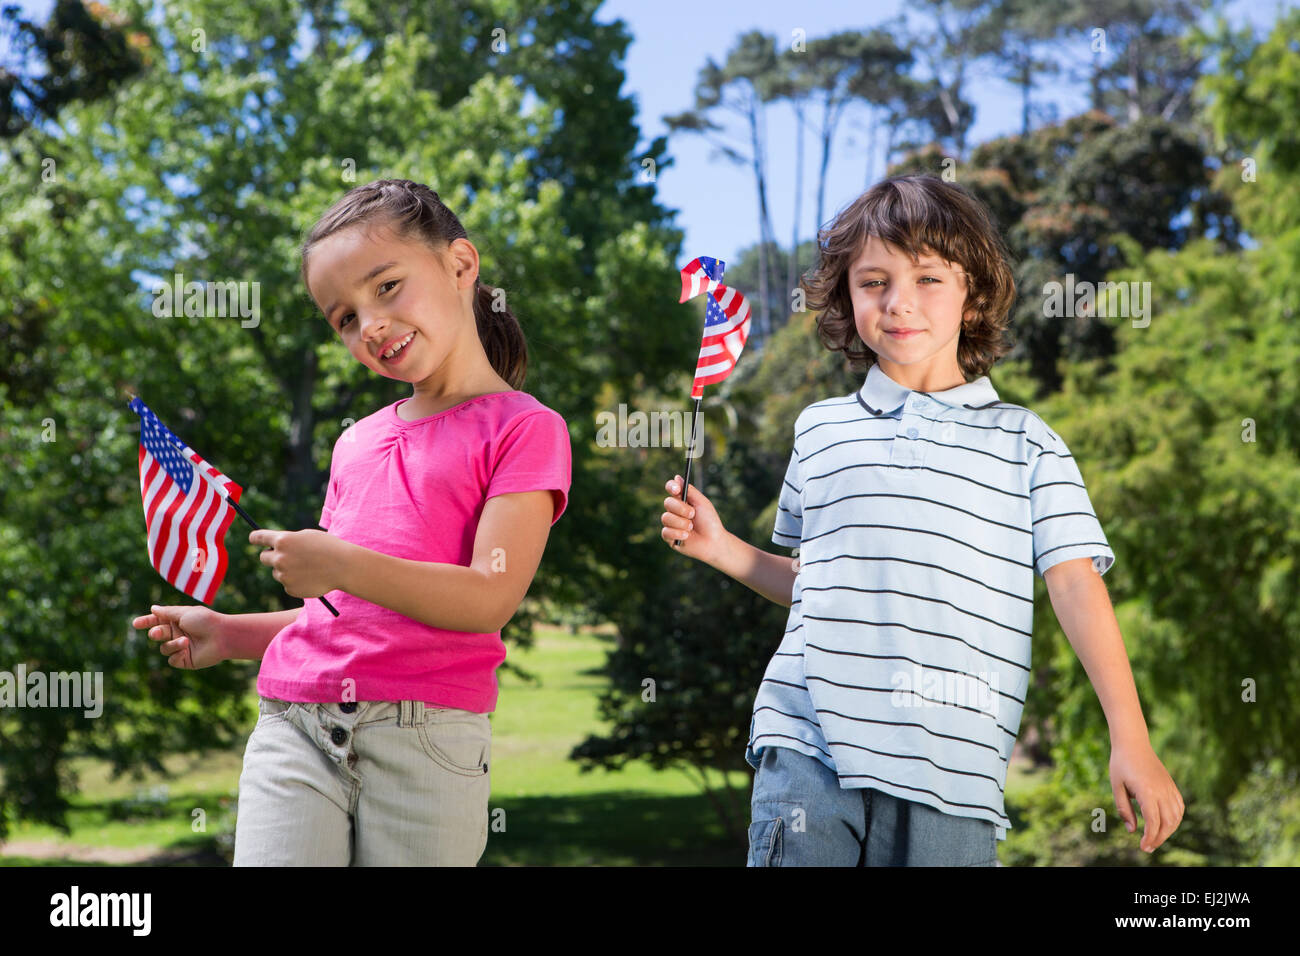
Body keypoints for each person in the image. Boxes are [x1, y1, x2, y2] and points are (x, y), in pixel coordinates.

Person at [661, 173, 1183, 866]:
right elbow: (819, 581)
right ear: (847, 296)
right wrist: (723, 548)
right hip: (809, 746)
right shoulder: (821, 429)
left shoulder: (1027, 442)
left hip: (954, 773)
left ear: (973, 295)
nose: (899, 302)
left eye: (929, 279)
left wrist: (1131, 736)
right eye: (873, 281)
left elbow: (1076, 585)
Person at [132, 178, 571, 866]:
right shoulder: (356, 441)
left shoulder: (525, 428)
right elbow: (346, 616)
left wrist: (340, 562)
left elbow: (490, 599)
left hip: (426, 741)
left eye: (387, 287)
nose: (368, 325)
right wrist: (230, 632)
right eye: (343, 317)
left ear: (460, 265)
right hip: (294, 725)